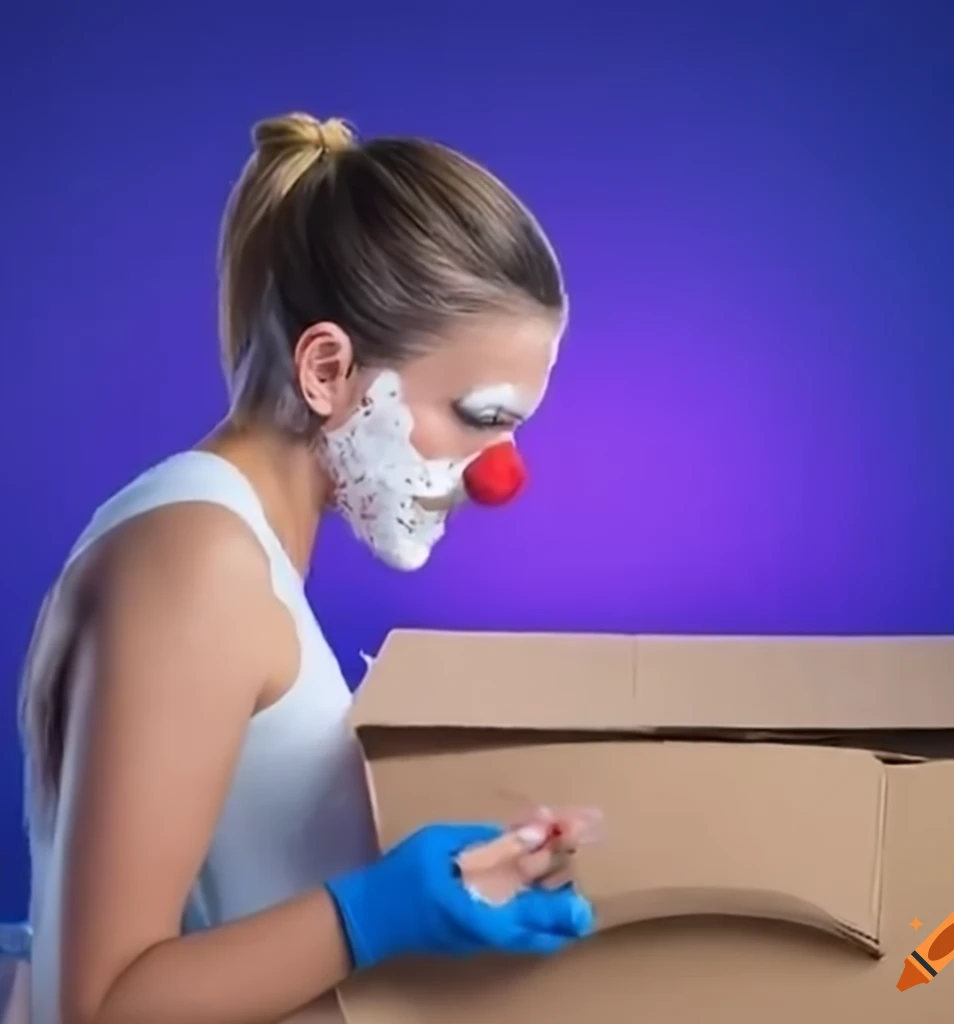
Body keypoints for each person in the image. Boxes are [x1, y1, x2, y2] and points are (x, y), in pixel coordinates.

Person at [17, 111, 592, 1024]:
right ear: (328, 370)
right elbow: (99, 1007)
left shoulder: (237, 549)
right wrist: (377, 913)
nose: (499, 476)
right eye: (481, 416)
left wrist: (464, 881)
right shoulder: (198, 564)